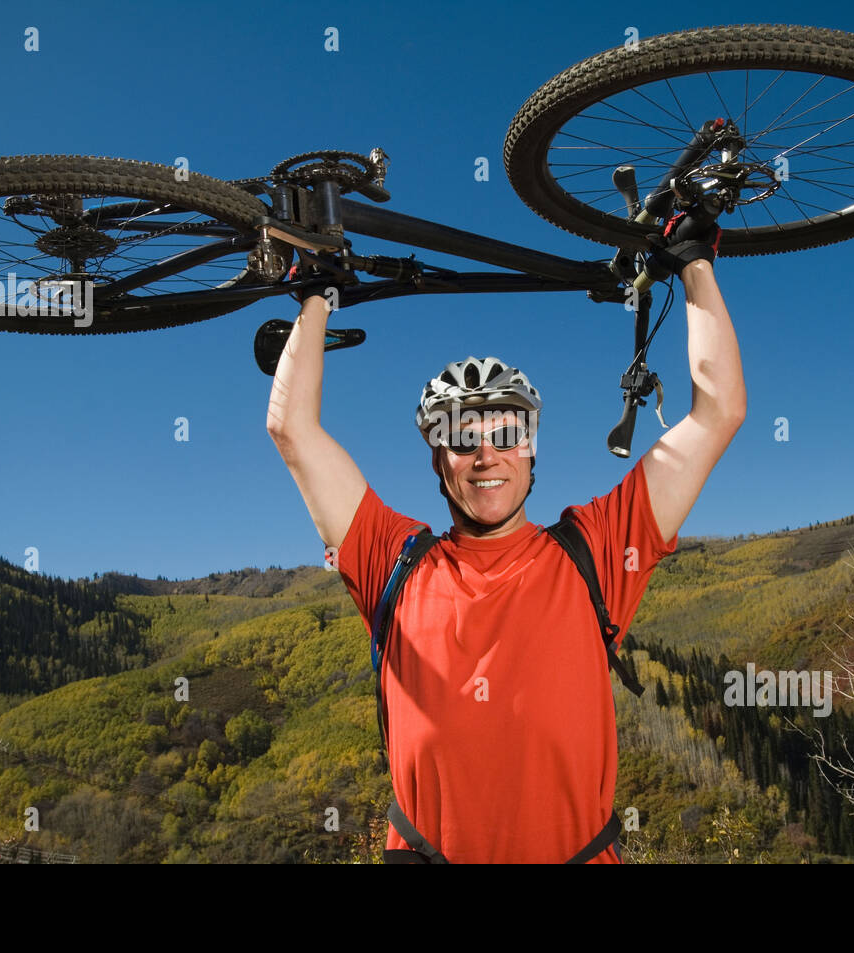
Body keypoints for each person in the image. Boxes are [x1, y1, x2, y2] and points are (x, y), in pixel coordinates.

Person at [266, 209, 745, 863]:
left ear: (530, 452)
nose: (486, 456)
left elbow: (719, 412)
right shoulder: (395, 559)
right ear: (440, 461)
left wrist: (694, 263)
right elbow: (292, 430)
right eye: (463, 440)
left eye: (505, 436)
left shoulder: (594, 548)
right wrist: (316, 295)